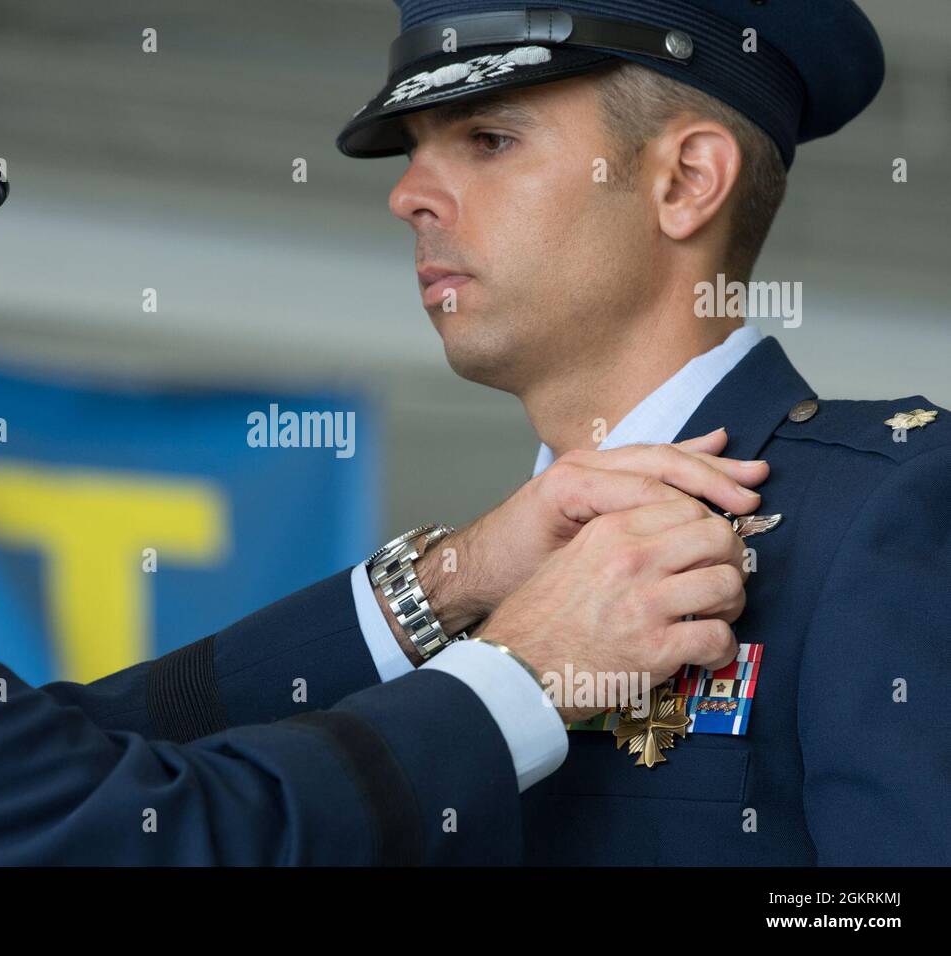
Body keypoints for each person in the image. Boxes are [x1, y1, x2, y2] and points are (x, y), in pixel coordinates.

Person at [0, 0, 761, 865]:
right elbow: (139, 839)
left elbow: (51, 771)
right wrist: (525, 669)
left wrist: (443, 582)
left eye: (488, 139)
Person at [336, 0, 950, 864]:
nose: (408, 196)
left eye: (488, 140)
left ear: (686, 179)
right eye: (411, 151)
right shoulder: (476, 580)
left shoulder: (891, 509)